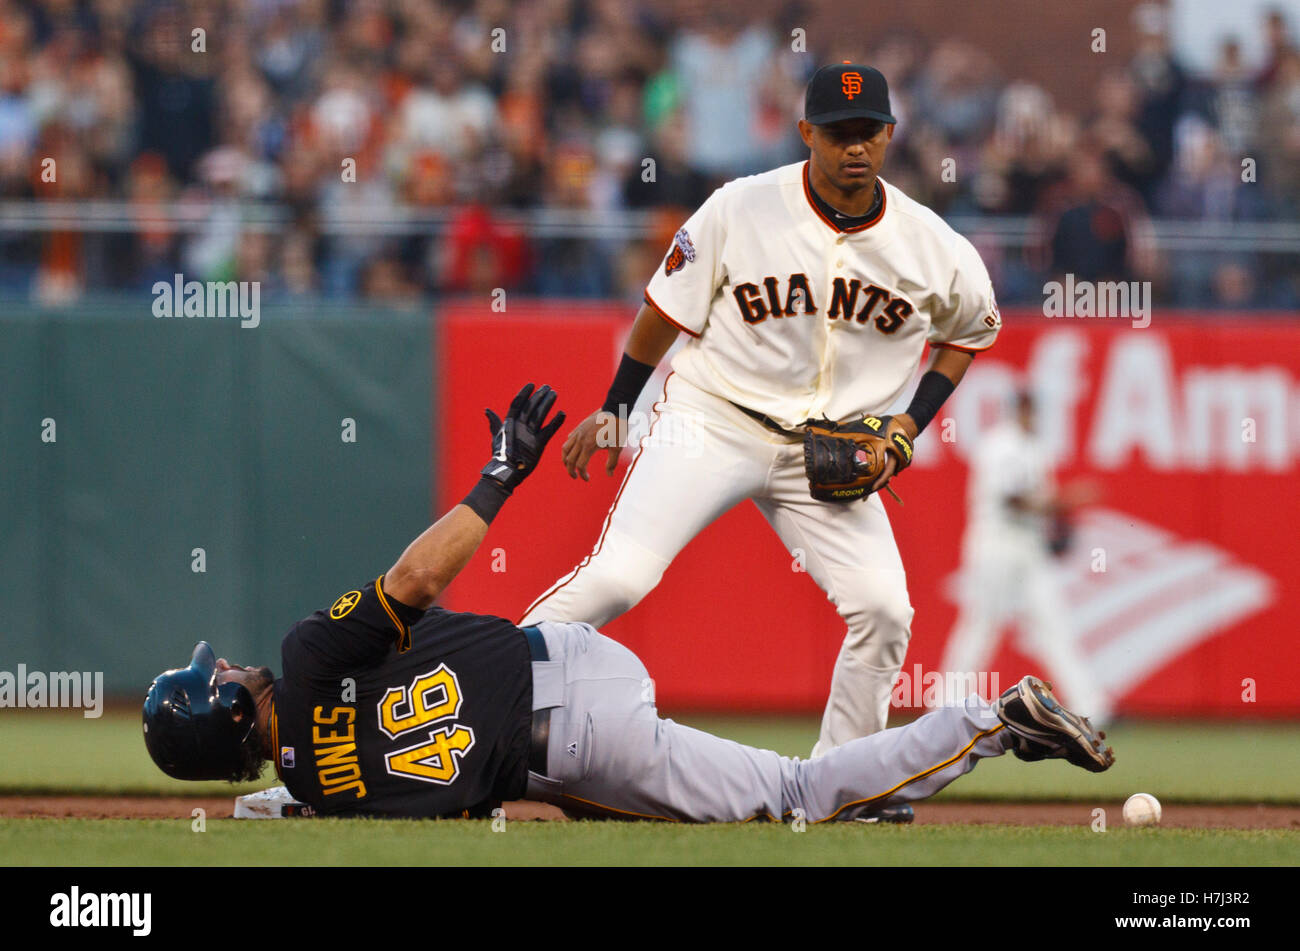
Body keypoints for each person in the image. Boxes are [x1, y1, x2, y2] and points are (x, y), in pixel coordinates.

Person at [142, 384, 1114, 824]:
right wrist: (498, 477)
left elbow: (313, 792)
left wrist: (262, 805)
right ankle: (990, 719)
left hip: (559, 738)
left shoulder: (320, 794)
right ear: (227, 709)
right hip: (563, 677)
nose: (225, 662)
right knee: (780, 788)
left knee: (792, 795)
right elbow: (414, 583)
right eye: (215, 677)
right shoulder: (306, 656)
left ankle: (983, 725)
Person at [520, 63, 1002, 789]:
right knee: (619, 577)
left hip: (829, 451)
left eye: (868, 131)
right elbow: (664, 311)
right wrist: (619, 407)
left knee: (883, 610)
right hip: (714, 420)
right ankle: (483, 699)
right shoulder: (738, 209)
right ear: (806, 132)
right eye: (838, 133)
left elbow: (972, 332)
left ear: (890, 135)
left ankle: (844, 784)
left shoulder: (935, 247)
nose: (855, 147)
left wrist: (906, 426)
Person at [940, 391, 1109, 724]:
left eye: (1035, 410)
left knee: (1054, 626)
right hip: (998, 545)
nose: (1032, 416)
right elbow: (1013, 500)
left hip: (1028, 547)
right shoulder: (1001, 445)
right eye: (1028, 409)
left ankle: (1093, 709)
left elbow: (1036, 503)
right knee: (981, 624)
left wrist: (1056, 519)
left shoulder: (1033, 447)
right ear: (1016, 410)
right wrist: (1067, 500)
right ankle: (945, 706)